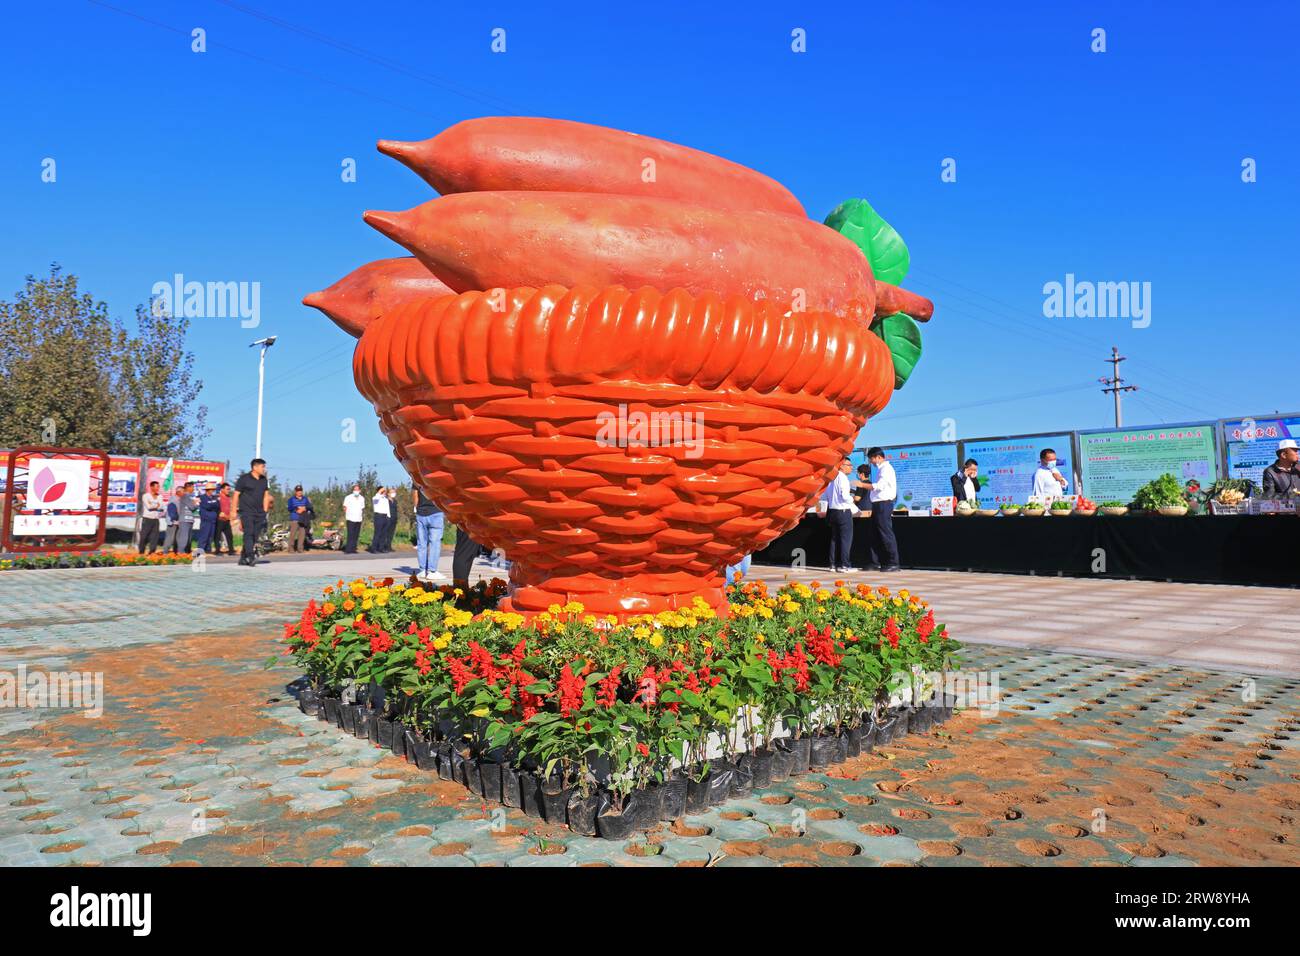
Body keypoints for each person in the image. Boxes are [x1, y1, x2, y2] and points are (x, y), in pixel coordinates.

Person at [860, 447, 900, 572]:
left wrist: (861, 485)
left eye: (871, 459)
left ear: (878, 457)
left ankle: (894, 562)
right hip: (877, 504)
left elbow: (879, 486)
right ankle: (874, 562)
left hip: (884, 504)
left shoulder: (886, 469)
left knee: (885, 533)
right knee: (874, 534)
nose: (871, 462)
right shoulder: (880, 469)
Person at [819, 459, 859, 573]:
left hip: (832, 512)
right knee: (846, 539)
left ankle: (832, 565)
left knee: (835, 539)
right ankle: (845, 566)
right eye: (849, 465)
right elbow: (845, 496)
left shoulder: (832, 478)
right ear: (841, 466)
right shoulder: (843, 479)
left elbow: (824, 496)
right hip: (843, 511)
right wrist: (852, 499)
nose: (851, 467)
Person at [232, 458, 271, 567]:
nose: (264, 469)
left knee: (254, 535)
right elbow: (236, 495)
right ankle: (250, 555)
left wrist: (265, 511)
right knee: (248, 533)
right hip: (246, 511)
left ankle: (243, 557)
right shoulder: (244, 479)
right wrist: (234, 511)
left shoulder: (264, 480)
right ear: (255, 467)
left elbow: (266, 496)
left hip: (260, 512)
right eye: (262, 466)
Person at [412, 487, 446, 581]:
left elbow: (415, 495)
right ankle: (432, 571)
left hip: (421, 513)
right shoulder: (438, 475)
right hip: (436, 512)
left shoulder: (417, 478)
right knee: (435, 543)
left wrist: (417, 509)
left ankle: (422, 570)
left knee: (421, 543)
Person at [139, 481, 164, 553]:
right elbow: (148, 507)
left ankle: (152, 552)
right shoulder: (146, 496)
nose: (158, 488)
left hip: (156, 519)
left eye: (158, 487)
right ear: (151, 487)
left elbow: (161, 507)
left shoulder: (160, 496)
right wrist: (157, 505)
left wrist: (154, 505)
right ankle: (141, 551)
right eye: (156, 486)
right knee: (144, 536)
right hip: (147, 518)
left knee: (154, 537)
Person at [196, 482, 221, 553]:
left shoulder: (214, 497)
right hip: (205, 519)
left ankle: (208, 550)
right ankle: (200, 550)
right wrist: (213, 505)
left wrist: (212, 505)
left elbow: (218, 506)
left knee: (210, 536)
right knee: (204, 535)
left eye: (213, 489)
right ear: (207, 490)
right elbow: (206, 506)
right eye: (211, 489)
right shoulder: (202, 497)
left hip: (213, 520)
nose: (212, 491)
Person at [287, 484, 313, 553]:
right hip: (295, 519)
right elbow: (289, 508)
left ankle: (300, 548)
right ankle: (291, 549)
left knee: (302, 534)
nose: (299, 492)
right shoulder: (291, 499)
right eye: (298, 491)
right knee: (292, 534)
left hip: (303, 519)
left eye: (300, 491)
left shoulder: (305, 499)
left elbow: (310, 507)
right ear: (295, 491)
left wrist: (304, 508)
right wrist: (297, 509)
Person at [342, 483, 365, 553]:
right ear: (352, 490)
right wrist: (348, 514)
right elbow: (345, 507)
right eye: (355, 489)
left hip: (358, 518)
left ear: (360, 490)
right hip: (350, 518)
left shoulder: (362, 498)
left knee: (356, 534)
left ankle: (353, 548)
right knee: (350, 534)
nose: (356, 491)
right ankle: (348, 549)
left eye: (357, 489)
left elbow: (362, 508)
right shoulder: (348, 497)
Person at [369, 486, 391, 554]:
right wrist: (380, 491)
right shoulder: (376, 498)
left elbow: (387, 509)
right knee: (377, 533)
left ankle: (381, 548)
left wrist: (388, 517)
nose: (384, 492)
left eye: (385, 491)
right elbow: (375, 501)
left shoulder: (385, 499)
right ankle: (373, 548)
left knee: (384, 534)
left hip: (385, 516)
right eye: (383, 491)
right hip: (379, 516)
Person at [215, 483, 236, 555]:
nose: (228, 490)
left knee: (229, 536)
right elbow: (215, 507)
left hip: (227, 520)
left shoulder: (229, 497)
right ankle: (217, 551)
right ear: (222, 489)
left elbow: (231, 507)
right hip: (220, 519)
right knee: (217, 536)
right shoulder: (218, 497)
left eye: (229, 489)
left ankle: (231, 550)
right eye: (227, 489)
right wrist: (220, 513)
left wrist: (231, 515)